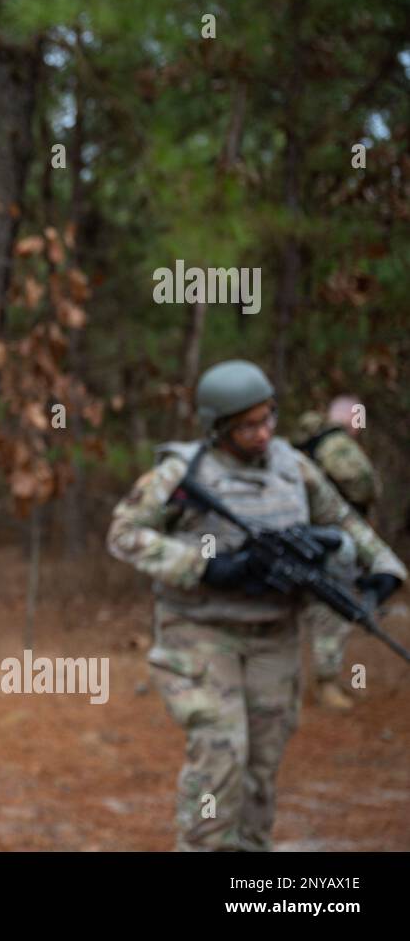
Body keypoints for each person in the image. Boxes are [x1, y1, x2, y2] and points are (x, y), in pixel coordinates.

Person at [107, 359, 404, 851]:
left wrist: (383, 572)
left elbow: (343, 519)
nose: (263, 433)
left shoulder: (295, 467)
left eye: (268, 419)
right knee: (222, 754)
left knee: (261, 767)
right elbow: (124, 534)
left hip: (274, 638)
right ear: (218, 426)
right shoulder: (184, 471)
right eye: (247, 425)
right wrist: (207, 567)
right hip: (202, 634)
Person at [291, 396, 383, 710]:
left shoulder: (310, 444)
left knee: (312, 609)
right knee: (332, 610)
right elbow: (362, 483)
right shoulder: (337, 445)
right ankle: (326, 684)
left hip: (305, 537)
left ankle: (311, 681)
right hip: (331, 540)